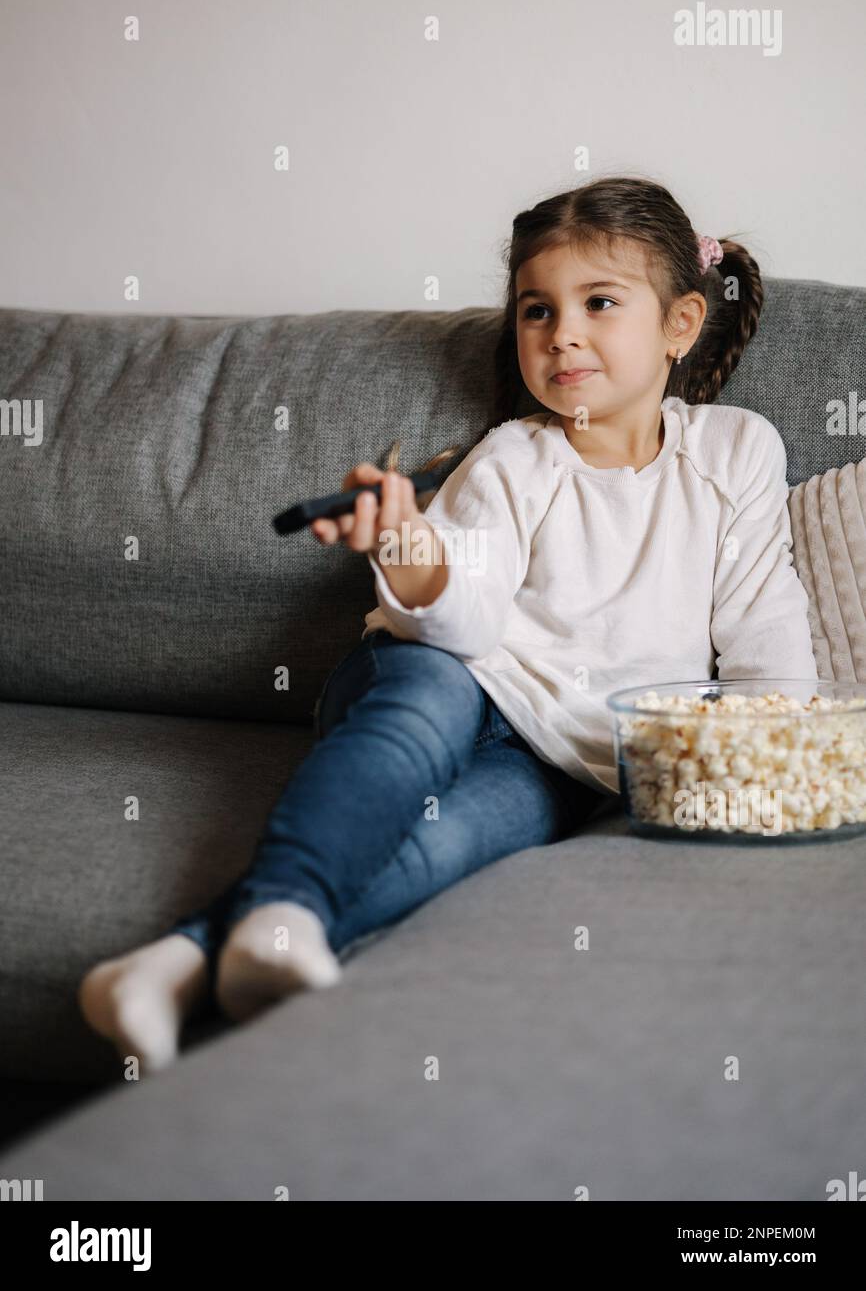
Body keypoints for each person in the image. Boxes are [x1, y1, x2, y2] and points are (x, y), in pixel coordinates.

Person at [78, 174, 818, 1073]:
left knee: (447, 842)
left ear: (680, 325)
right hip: (449, 673)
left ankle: (179, 959)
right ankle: (281, 910)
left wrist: (775, 771)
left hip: (566, 762)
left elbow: (763, 626)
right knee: (427, 705)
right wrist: (407, 540)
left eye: (599, 303)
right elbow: (461, 611)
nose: (563, 334)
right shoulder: (517, 457)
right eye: (536, 311)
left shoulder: (737, 451)